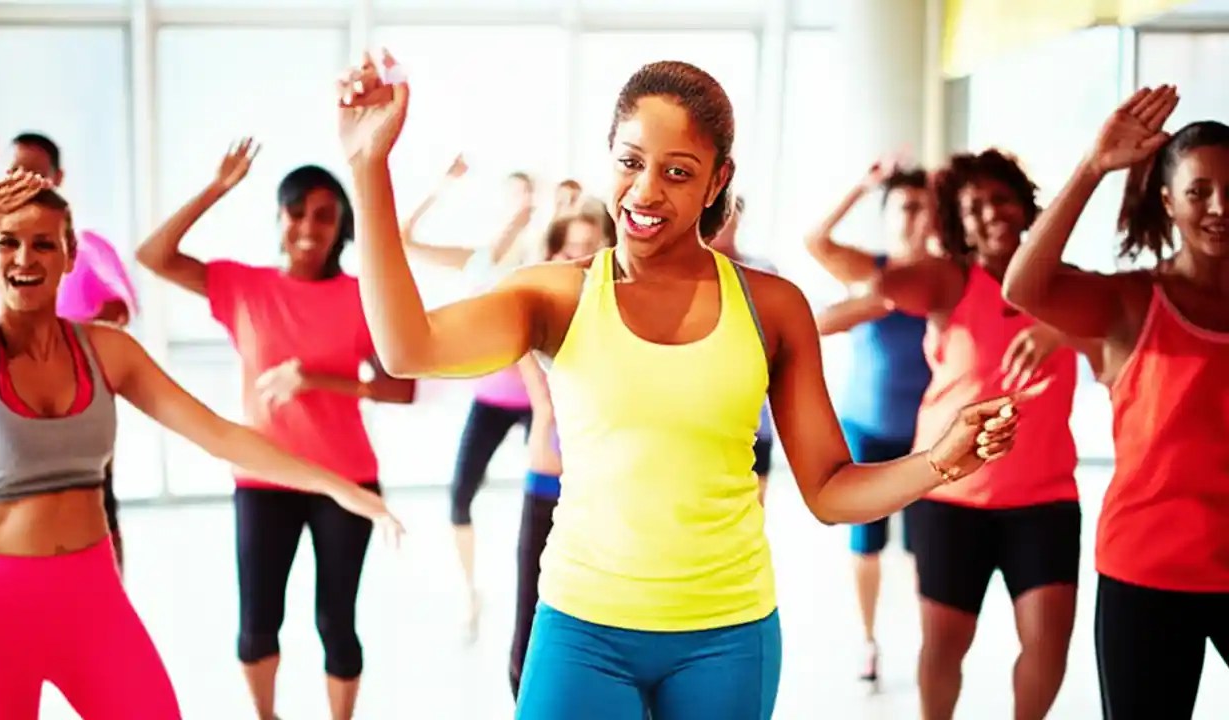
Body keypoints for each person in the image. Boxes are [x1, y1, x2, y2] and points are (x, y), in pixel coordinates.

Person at [336, 51, 1026, 719]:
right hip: (582, 627)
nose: (645, 191)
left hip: (727, 635)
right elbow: (407, 348)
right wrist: (370, 169)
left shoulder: (772, 306)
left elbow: (828, 490)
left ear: (717, 180)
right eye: (631, 162)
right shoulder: (558, 296)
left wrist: (937, 461)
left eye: (677, 171)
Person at [0, 173, 401, 720]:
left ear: (70, 256)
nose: (25, 257)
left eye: (44, 242)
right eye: (7, 241)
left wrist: (341, 488)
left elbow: (217, 432)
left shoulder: (106, 350)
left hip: (92, 597)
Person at [135, 140, 414, 720]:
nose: (308, 226)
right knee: (258, 621)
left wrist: (316, 379)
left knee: (337, 622)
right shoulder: (243, 286)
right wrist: (216, 186)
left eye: (324, 215)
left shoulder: (361, 297)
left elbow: (400, 387)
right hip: (262, 479)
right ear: (280, 218)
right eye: (296, 211)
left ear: (342, 228)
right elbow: (153, 255)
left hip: (348, 480)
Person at [1004, 86, 1229, 720]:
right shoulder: (1134, 301)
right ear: (1168, 199)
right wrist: (1093, 167)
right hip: (1149, 572)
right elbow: (1025, 286)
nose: (1219, 207)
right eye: (1199, 191)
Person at [870, 149, 1081, 720]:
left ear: (1024, 204)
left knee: (1048, 644)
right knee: (944, 647)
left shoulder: (1067, 287)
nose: (991, 214)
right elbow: (862, 272)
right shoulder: (949, 279)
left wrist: (1058, 330)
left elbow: (1119, 330)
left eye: (1001, 199)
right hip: (950, 499)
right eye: (974, 207)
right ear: (956, 223)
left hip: (1045, 499)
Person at [0, 125, 138, 571]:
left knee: (98, 505)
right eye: (13, 172)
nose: (22, 183)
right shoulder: (1, 245)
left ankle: (107, 589)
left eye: (35, 174)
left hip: (76, 392)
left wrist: (64, 346)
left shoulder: (84, 248)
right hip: (5, 390)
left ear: (58, 178)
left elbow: (118, 311)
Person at [803, 159, 934, 683]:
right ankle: (868, 639)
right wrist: (861, 184)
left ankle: (930, 638)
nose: (917, 217)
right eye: (906, 206)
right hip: (868, 428)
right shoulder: (870, 269)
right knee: (867, 545)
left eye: (926, 207)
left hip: (928, 435)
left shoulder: (947, 277)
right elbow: (815, 241)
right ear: (888, 215)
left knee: (925, 547)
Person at [400, 155, 537, 640]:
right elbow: (403, 238)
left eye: (526, 198)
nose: (517, 207)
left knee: (550, 501)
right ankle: (469, 592)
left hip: (542, 404)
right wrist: (441, 185)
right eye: (511, 198)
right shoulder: (478, 259)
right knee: (459, 497)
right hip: (491, 399)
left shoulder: (543, 262)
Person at [507, 205, 615, 699]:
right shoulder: (536, 324)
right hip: (549, 482)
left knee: (603, 632)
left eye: (591, 250)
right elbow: (548, 408)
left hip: (608, 498)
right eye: (569, 250)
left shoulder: (624, 326)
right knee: (528, 634)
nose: (580, 261)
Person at [706, 195, 779, 504]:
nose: (725, 221)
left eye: (730, 212)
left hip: (753, 420)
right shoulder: (684, 275)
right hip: (701, 423)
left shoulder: (763, 271)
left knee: (751, 512)